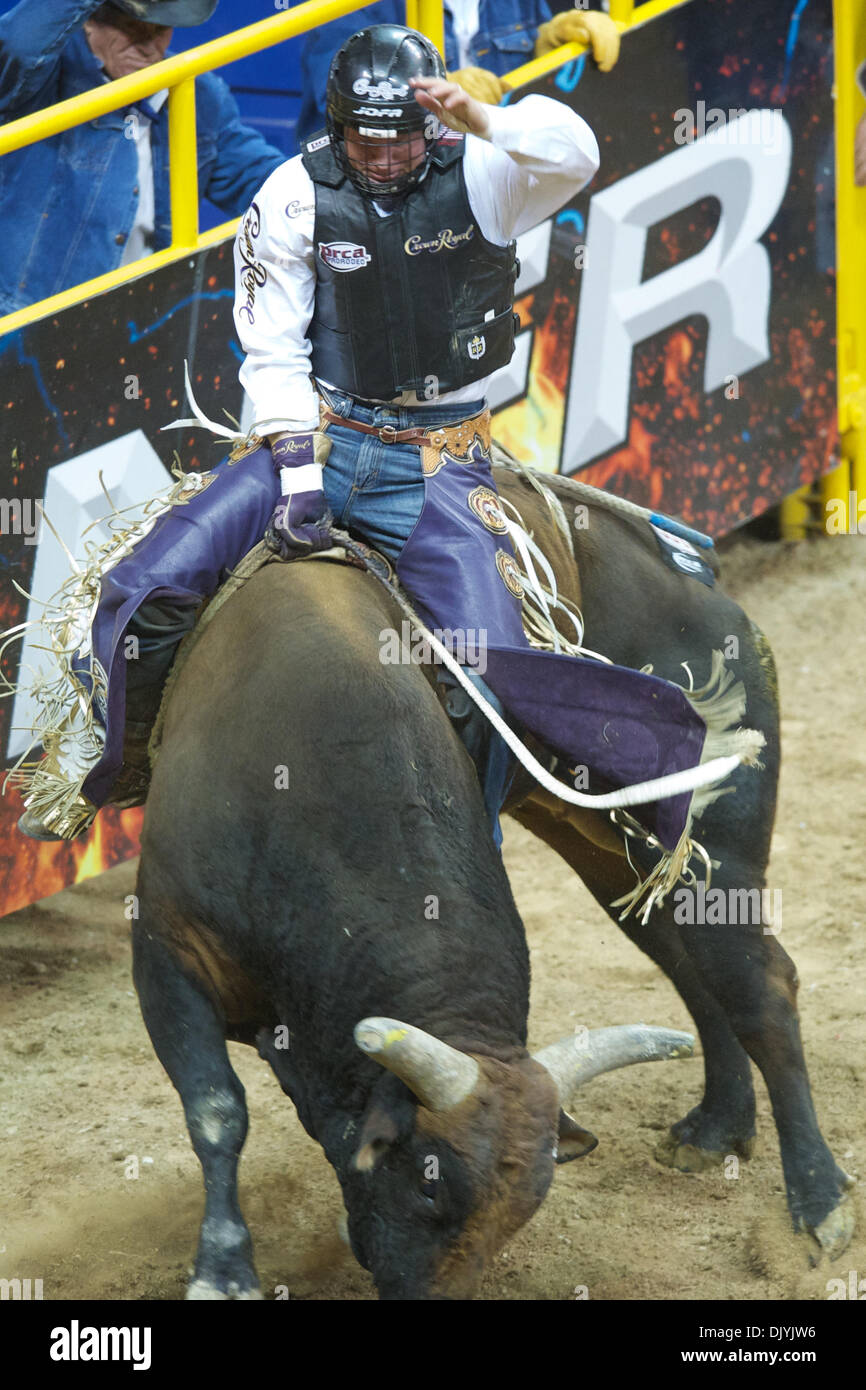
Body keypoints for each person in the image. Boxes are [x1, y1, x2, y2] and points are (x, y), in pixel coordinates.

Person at [14, 24, 730, 885]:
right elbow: (272, 348)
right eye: (364, 137)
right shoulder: (291, 193)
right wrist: (296, 473)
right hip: (323, 435)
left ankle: (468, 857)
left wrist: (486, 117)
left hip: (441, 468)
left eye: (402, 137)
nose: (384, 156)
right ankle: (128, 773)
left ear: (432, 124)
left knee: (494, 680)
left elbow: (576, 153)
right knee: (142, 587)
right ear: (335, 125)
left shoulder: (486, 172)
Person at [0, 0, 286, 316]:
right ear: (90, 21)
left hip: (143, 322)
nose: (147, 46)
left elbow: (261, 180)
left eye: (160, 30)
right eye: (131, 27)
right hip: (29, 324)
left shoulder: (194, 89)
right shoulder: (45, 80)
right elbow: (18, 42)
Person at [296, 1, 620, 142]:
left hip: (491, 184)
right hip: (385, 205)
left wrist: (552, 49)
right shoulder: (347, 6)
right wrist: (434, 98)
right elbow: (347, 108)